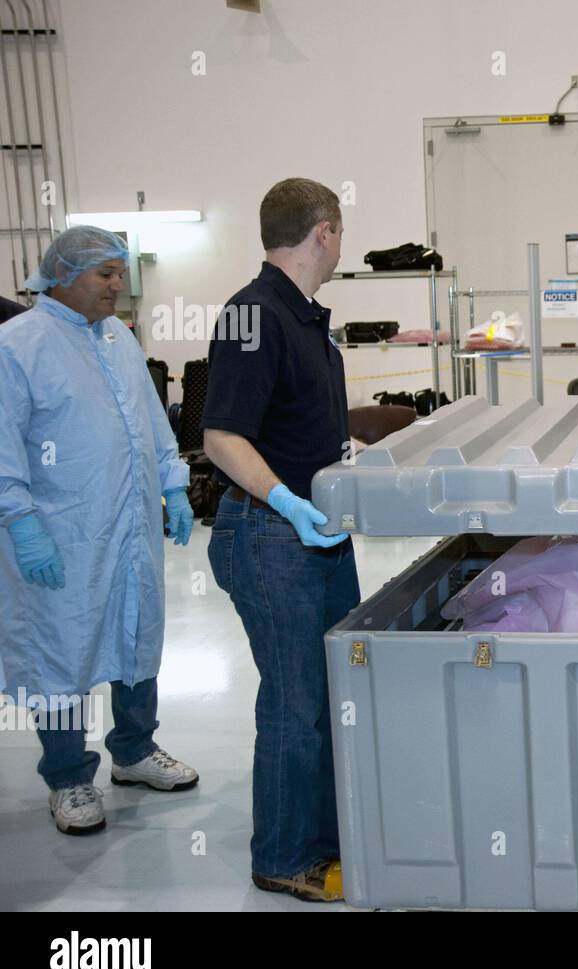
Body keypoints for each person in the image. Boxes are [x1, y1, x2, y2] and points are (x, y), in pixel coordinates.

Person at [0, 226, 197, 836]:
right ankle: (68, 777)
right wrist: (20, 522)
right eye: (105, 274)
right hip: (62, 534)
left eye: (121, 273)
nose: (118, 285)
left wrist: (173, 483)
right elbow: (3, 444)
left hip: (129, 525)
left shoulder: (119, 338)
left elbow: (152, 422)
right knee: (63, 650)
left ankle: (134, 751)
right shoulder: (18, 344)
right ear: (62, 276)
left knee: (137, 633)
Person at [202, 178, 356, 903]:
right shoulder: (252, 315)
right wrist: (289, 501)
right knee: (296, 702)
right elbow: (221, 437)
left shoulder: (306, 318)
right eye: (341, 231)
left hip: (317, 533)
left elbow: (297, 423)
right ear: (323, 232)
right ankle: (283, 855)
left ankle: (326, 837)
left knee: (329, 691)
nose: (342, 243)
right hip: (269, 534)